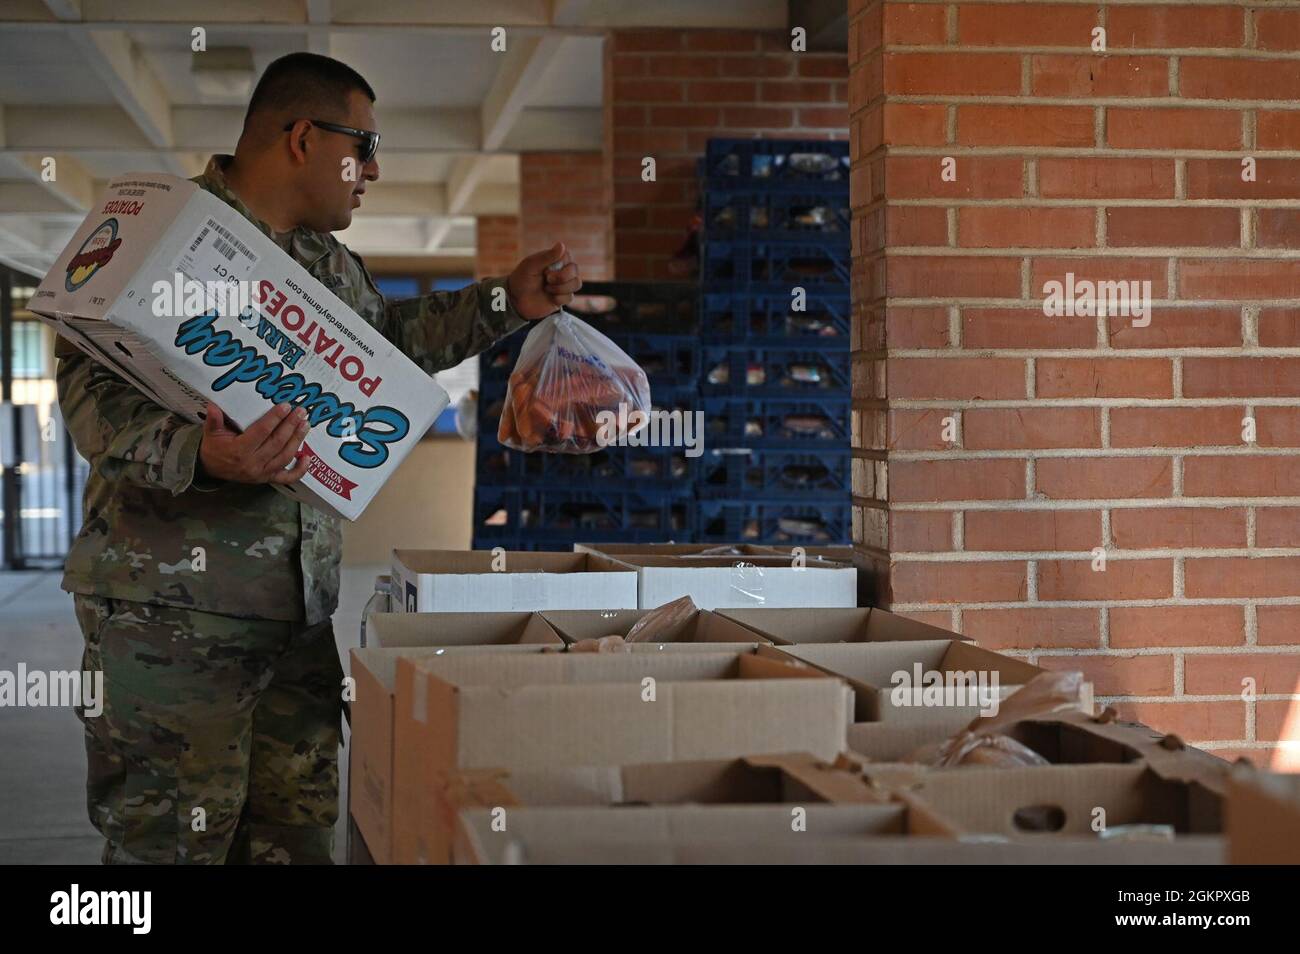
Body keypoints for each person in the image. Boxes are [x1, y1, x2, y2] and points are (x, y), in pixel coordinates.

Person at [55, 52, 580, 864]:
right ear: (303, 137)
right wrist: (204, 453)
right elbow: (91, 396)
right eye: (363, 144)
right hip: (173, 617)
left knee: (295, 837)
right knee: (169, 845)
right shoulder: (166, 231)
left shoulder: (328, 265)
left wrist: (505, 302)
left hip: (297, 614)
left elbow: (385, 351)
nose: (372, 168)